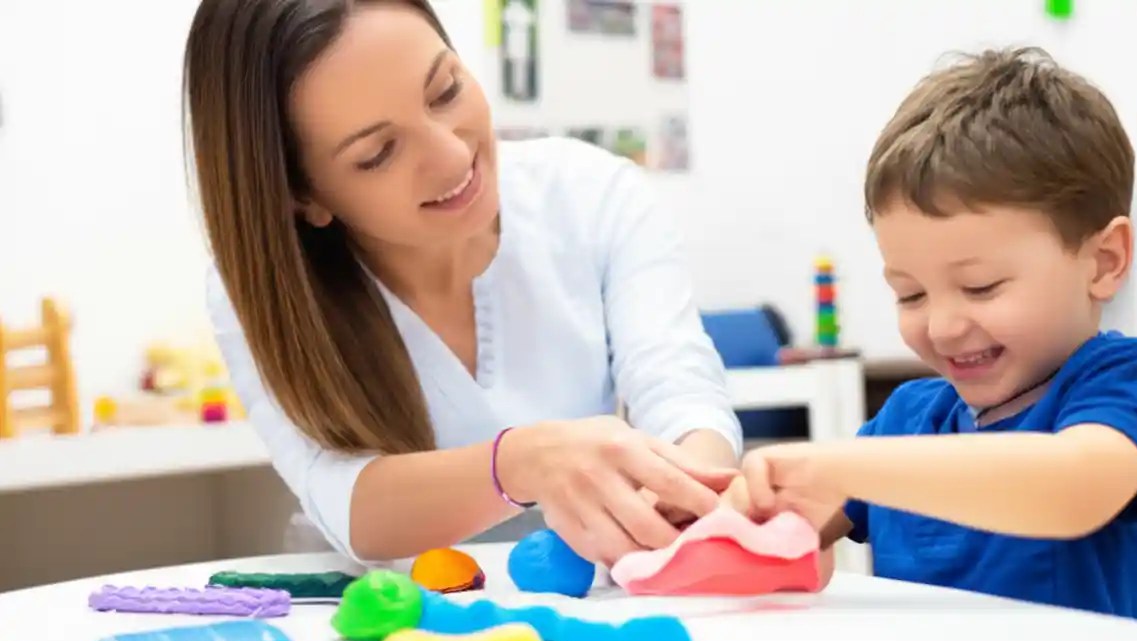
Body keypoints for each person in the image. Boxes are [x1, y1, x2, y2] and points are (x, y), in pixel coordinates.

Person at [183, 0, 742, 567]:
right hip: (377, 613)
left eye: (445, 90)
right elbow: (345, 499)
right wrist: (521, 462)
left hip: (585, 593)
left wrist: (688, 492)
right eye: (378, 154)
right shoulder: (265, 289)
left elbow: (681, 390)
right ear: (302, 195)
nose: (452, 156)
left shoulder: (591, 195)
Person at [737, 47, 1137, 623]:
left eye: (980, 287)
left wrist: (841, 467)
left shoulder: (1135, 381)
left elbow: (1071, 486)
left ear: (1103, 261)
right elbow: (762, 522)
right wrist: (751, 507)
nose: (942, 326)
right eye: (909, 294)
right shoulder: (907, 417)